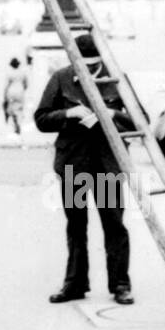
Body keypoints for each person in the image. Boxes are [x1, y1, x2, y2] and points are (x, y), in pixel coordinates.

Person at [34, 34, 135, 306]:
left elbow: (141, 120)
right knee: (76, 225)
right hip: (74, 167)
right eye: (81, 65)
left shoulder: (116, 79)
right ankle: (75, 284)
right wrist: (68, 114)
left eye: (92, 65)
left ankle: (120, 285)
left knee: (113, 225)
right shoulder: (61, 78)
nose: (87, 70)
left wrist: (113, 114)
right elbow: (41, 119)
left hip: (106, 167)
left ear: (101, 59)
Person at [3, 57, 28, 136]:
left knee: (11, 109)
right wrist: (22, 89)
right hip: (20, 92)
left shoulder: (9, 73)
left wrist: (4, 95)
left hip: (11, 92)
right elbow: (26, 84)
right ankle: (18, 123)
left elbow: (6, 85)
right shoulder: (22, 73)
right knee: (19, 109)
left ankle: (15, 123)